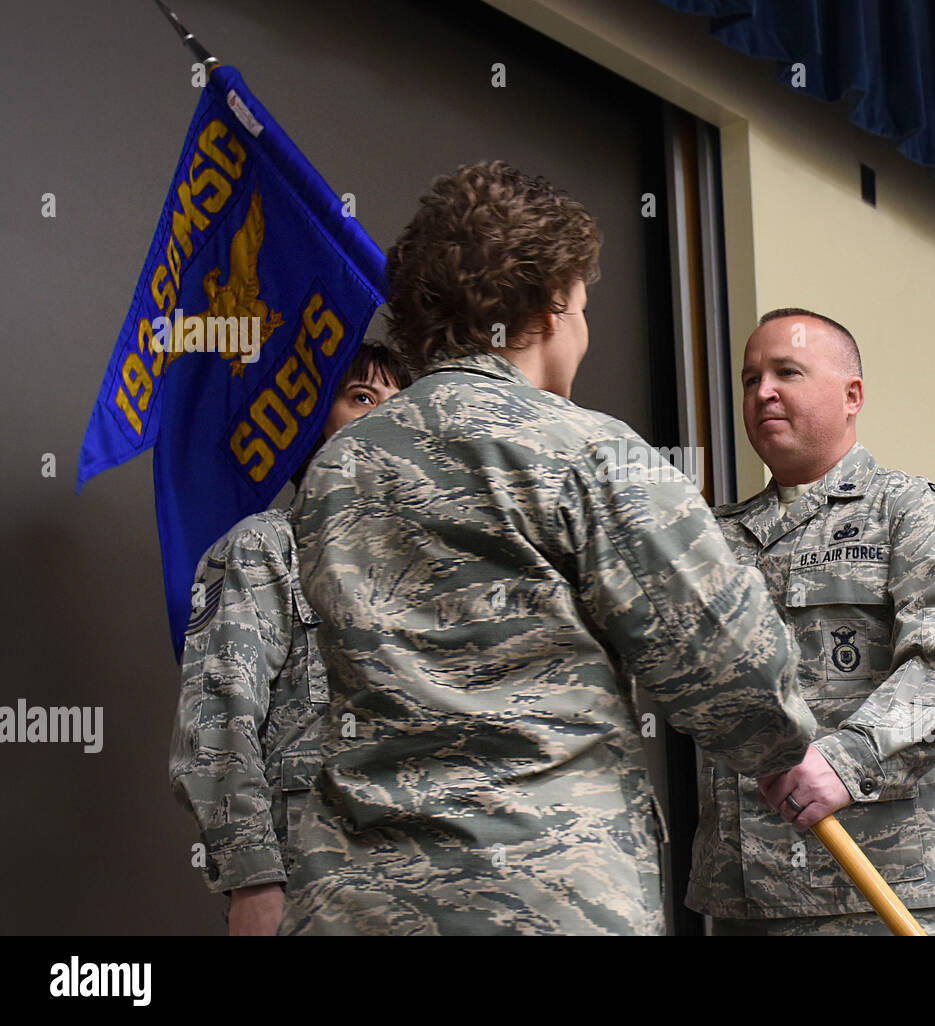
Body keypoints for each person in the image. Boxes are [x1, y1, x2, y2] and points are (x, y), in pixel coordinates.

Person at [279, 160, 815, 936]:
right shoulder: (590, 451)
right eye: (584, 303)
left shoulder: (337, 469)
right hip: (544, 897)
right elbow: (736, 670)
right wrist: (776, 741)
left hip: (353, 901)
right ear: (552, 301)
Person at [686, 308, 935, 936]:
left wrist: (849, 760)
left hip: (884, 884)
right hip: (744, 892)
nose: (763, 392)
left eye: (787, 372)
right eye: (750, 379)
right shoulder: (708, 537)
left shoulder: (907, 512)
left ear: (852, 395)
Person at [169, 343, 411, 936]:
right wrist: (253, 882)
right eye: (361, 398)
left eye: (400, 403)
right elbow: (218, 723)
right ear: (313, 423)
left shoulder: (430, 562)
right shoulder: (265, 546)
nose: (386, 416)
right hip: (311, 885)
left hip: (427, 883)